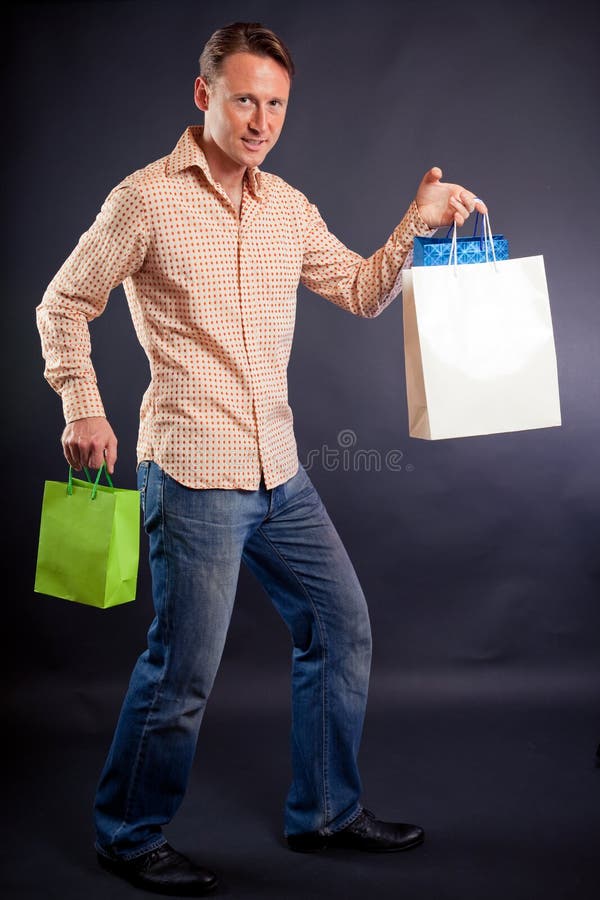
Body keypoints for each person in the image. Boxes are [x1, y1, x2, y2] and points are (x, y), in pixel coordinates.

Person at [36, 21, 486, 897]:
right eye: (245, 99)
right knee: (183, 671)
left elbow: (360, 290)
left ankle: (325, 813)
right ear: (204, 94)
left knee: (342, 626)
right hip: (193, 472)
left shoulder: (287, 206)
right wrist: (82, 404)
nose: (261, 121)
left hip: (279, 469)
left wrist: (417, 221)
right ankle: (128, 836)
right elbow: (63, 303)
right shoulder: (144, 200)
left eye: (276, 104)